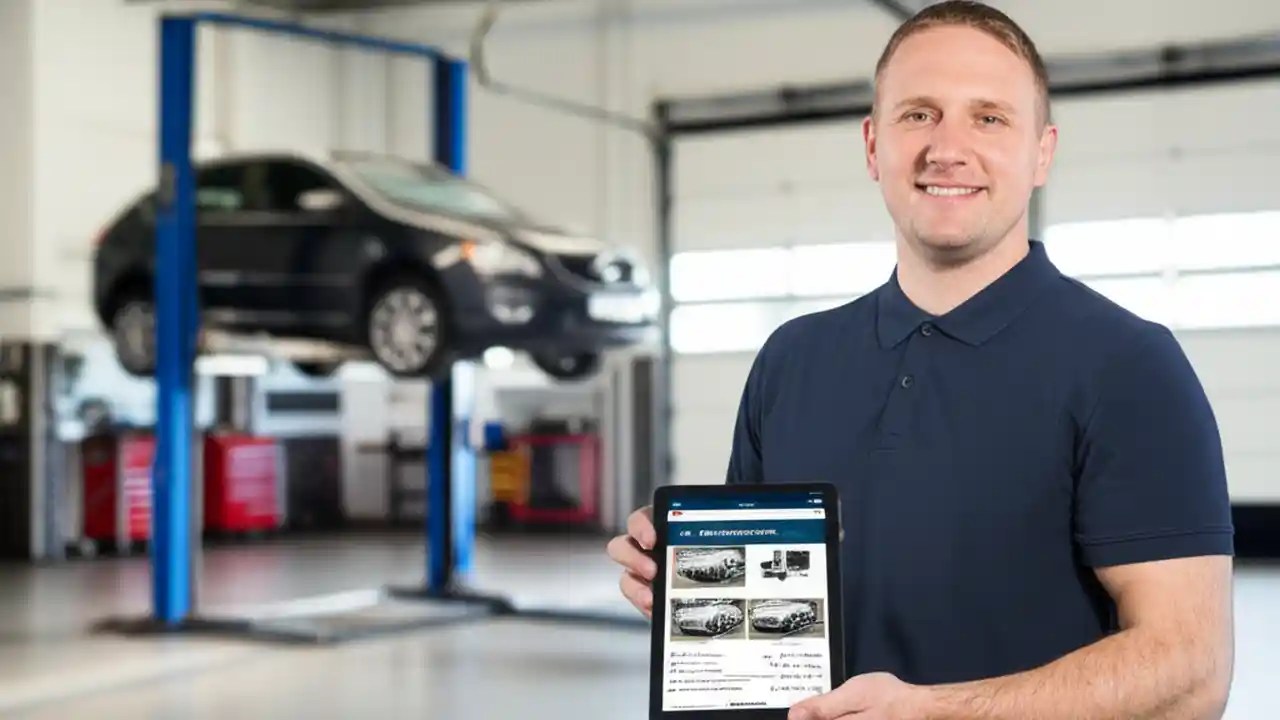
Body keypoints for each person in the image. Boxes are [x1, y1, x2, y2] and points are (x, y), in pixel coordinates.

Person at [607, 1, 1236, 718]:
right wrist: (698, 590)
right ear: (873, 145)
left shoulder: (1129, 366)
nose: (948, 147)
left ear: (1042, 152)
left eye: (989, 118)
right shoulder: (793, 359)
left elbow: (1190, 670)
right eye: (919, 114)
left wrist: (942, 712)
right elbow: (770, 650)